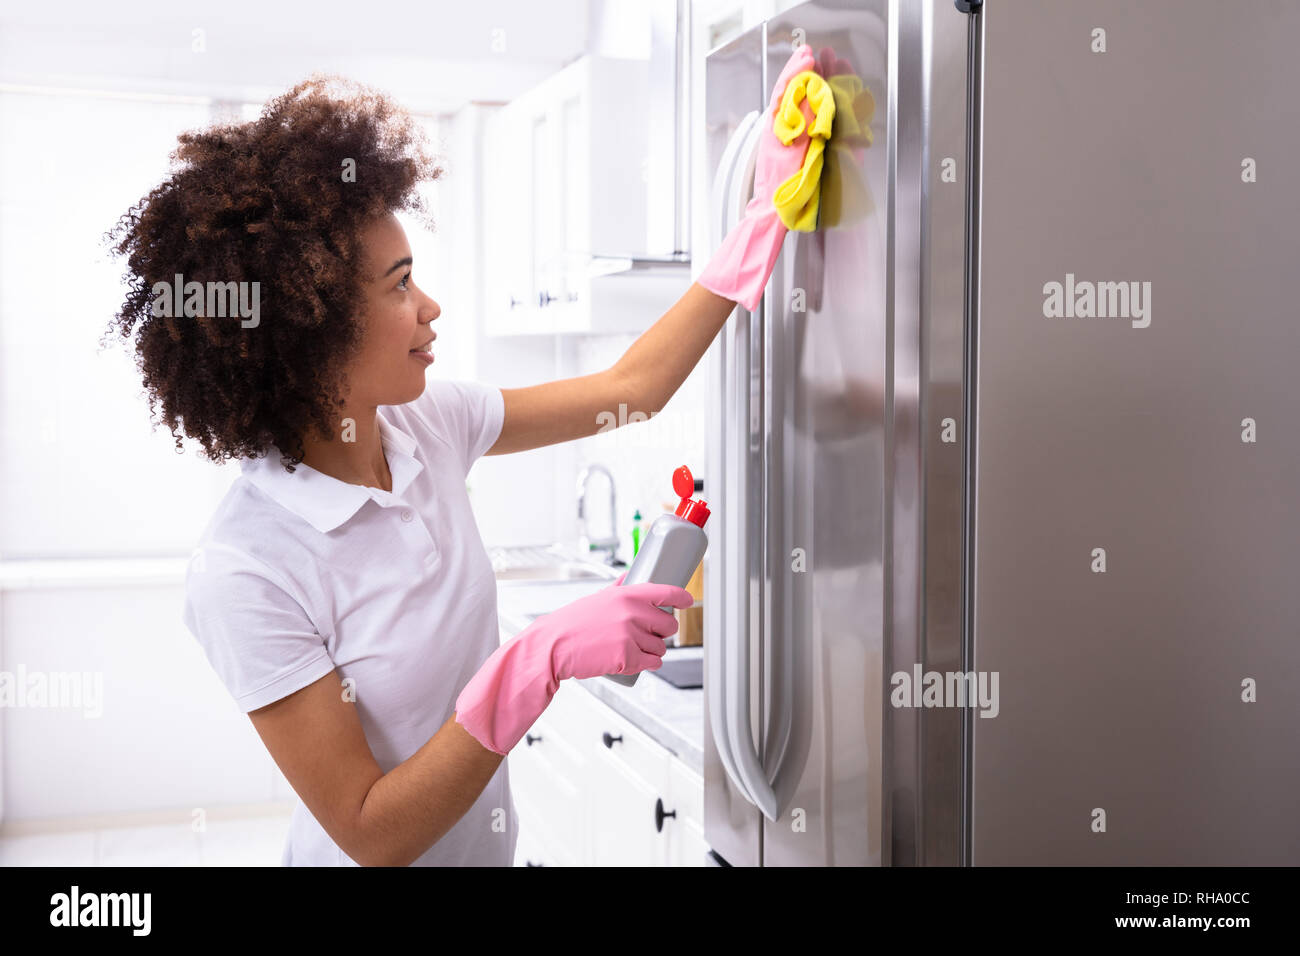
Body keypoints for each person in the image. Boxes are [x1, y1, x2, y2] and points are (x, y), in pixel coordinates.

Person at [106, 46, 820, 866]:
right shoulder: (246, 569)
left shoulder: (426, 424)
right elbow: (374, 832)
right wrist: (538, 658)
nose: (429, 306)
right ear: (313, 337)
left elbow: (635, 385)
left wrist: (761, 216)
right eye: (400, 285)